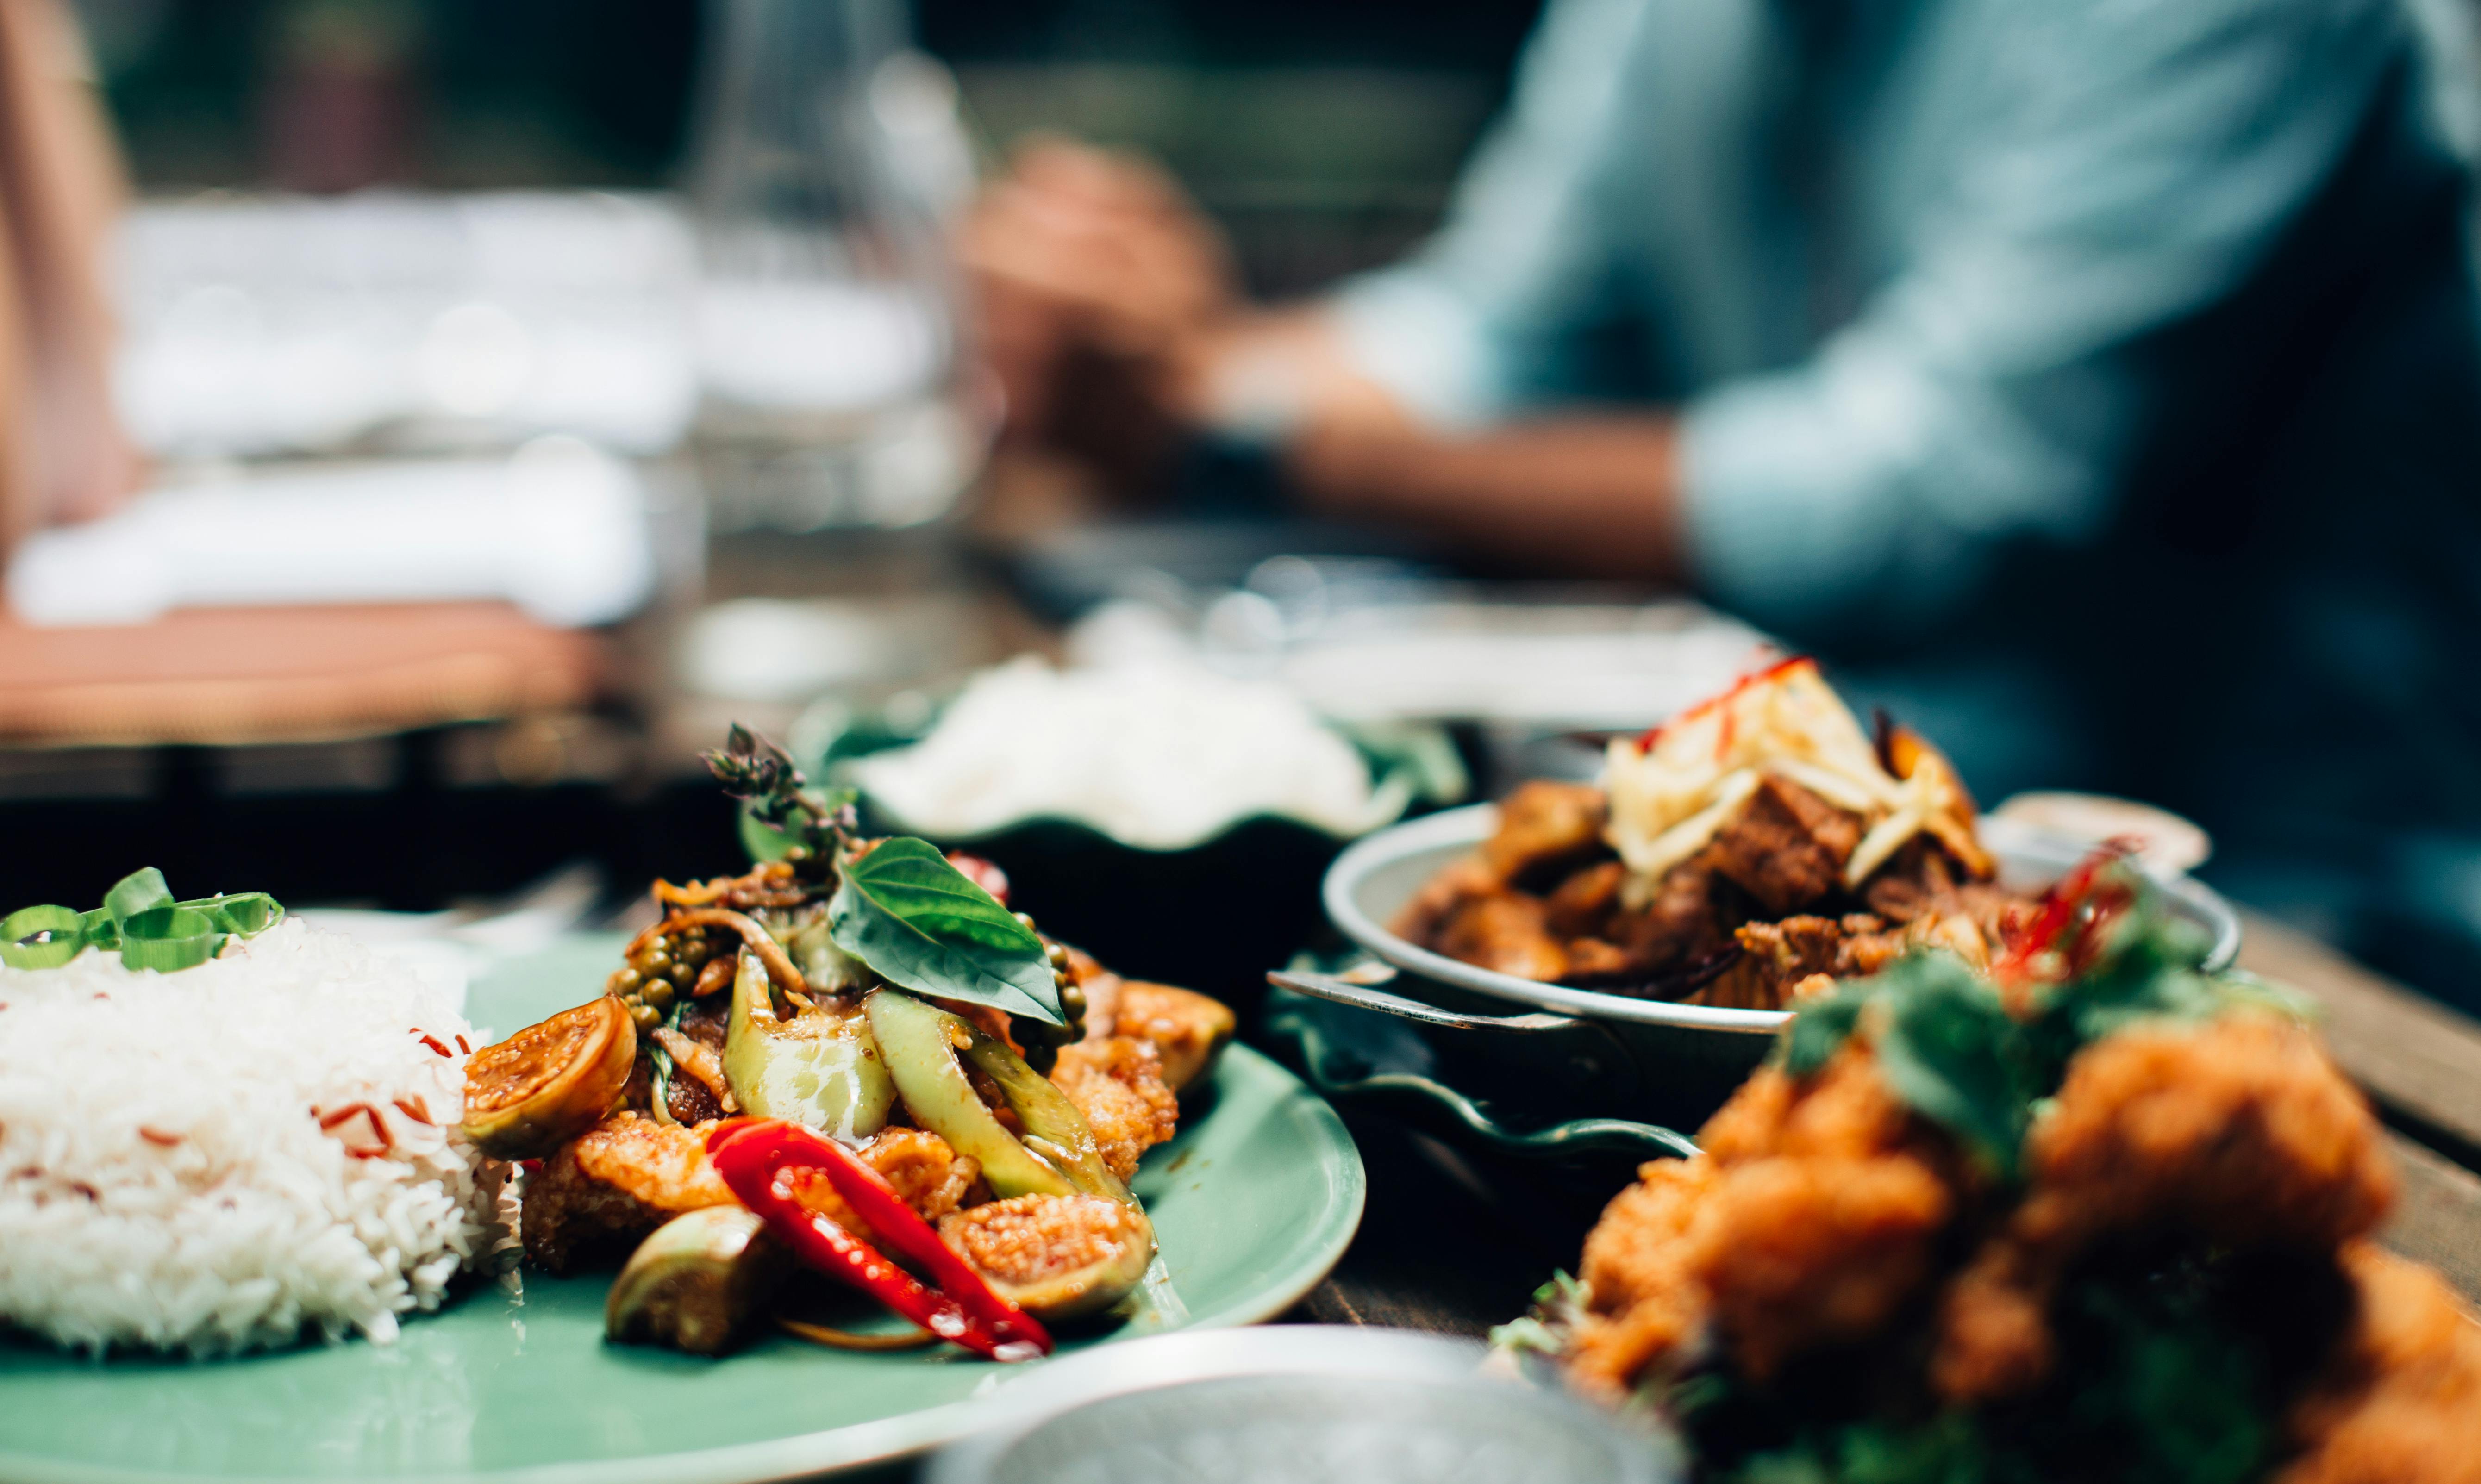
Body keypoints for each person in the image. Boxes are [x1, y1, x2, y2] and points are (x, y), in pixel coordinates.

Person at [966, 0, 2481, 1004]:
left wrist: (1242, 427)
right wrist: (1168, 367)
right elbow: (1489, 332)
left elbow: (1914, 496)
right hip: (1813, 884)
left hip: (2294, 930)